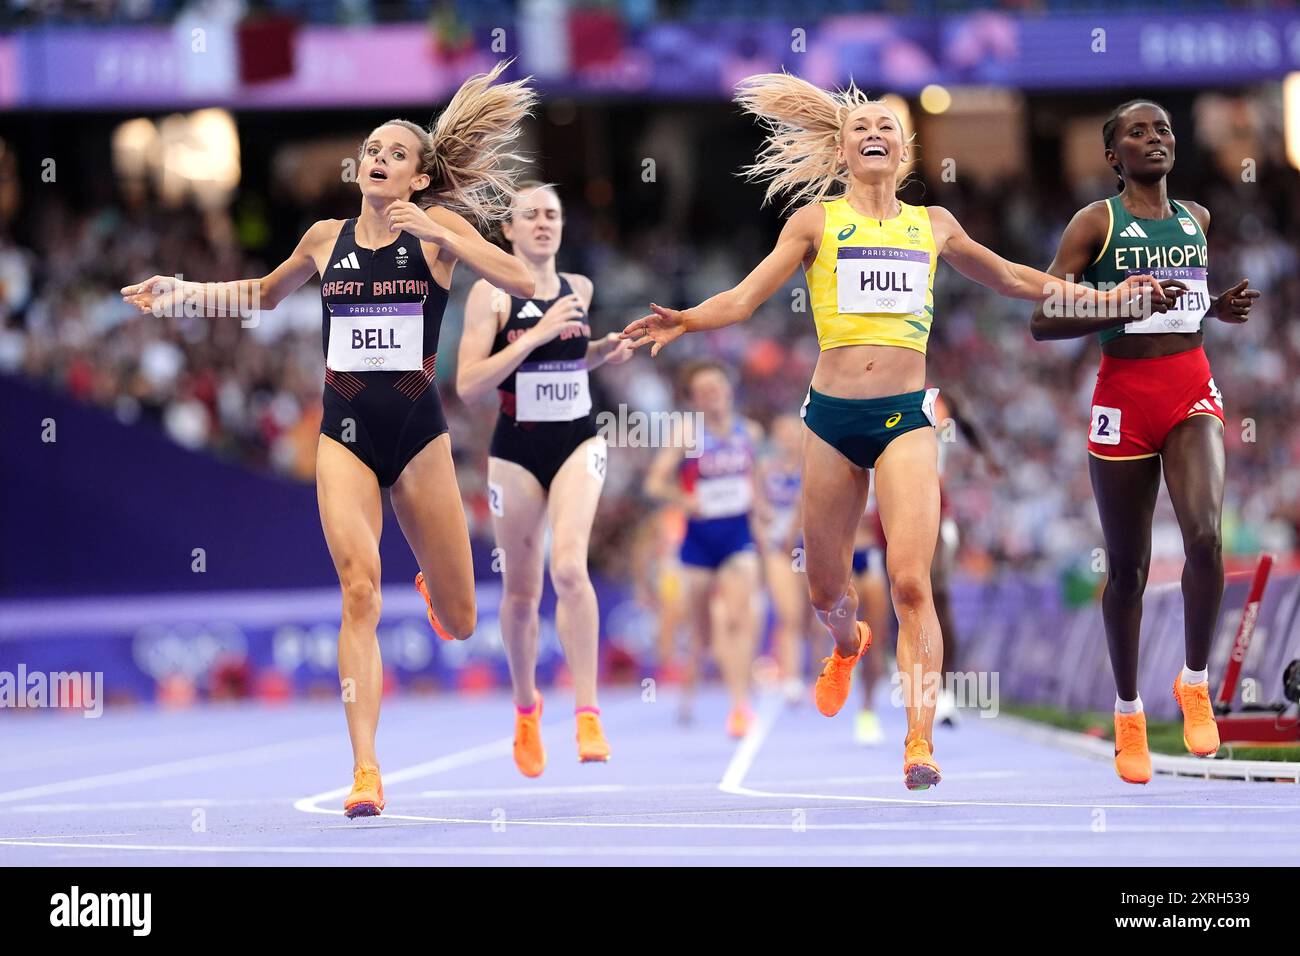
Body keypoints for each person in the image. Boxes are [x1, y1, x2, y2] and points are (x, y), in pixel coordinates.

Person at [622, 74, 1173, 789]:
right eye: (859, 128)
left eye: (886, 125)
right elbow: (747, 295)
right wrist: (689, 319)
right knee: (825, 588)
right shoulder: (816, 222)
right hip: (829, 420)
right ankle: (845, 644)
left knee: (911, 582)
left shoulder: (933, 224)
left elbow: (1011, 276)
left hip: (906, 420)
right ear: (844, 151)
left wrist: (1107, 295)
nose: (872, 132)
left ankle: (918, 741)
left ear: (905, 150)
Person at [122, 63, 538, 817]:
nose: (376, 156)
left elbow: (525, 282)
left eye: (395, 152)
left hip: (416, 432)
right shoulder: (324, 238)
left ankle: (436, 590)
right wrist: (180, 290)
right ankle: (367, 770)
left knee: (460, 617)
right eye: (371, 147)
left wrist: (441, 231)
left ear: (417, 178)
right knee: (358, 590)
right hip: (342, 428)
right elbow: (260, 294)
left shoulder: (440, 232)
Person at [1029, 99, 1259, 784]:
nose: (1153, 138)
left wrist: (1214, 308)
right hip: (1122, 399)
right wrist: (1122, 303)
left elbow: (1182, 300)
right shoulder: (1094, 223)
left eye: (1162, 129)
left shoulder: (1198, 219)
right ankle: (1128, 709)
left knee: (1207, 538)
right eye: (1137, 131)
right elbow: (1043, 317)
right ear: (1113, 155)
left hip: (1190, 387)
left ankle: (1193, 681)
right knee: (1126, 569)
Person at [456, 182, 633, 777]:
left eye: (551, 214)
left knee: (569, 568)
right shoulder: (489, 295)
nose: (542, 223)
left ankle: (587, 711)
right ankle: (527, 709)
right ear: (506, 231)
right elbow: (468, 384)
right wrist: (532, 333)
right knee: (523, 592)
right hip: (516, 449)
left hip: (579, 438)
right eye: (528, 215)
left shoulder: (579, 288)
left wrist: (604, 349)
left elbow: (571, 359)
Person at [643, 361, 764, 736]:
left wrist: (763, 511)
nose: (712, 394)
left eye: (717, 386)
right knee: (700, 633)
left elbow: (756, 480)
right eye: (703, 391)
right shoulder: (687, 433)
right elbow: (654, 484)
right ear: (695, 399)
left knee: (736, 618)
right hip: (698, 542)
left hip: (737, 537)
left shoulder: (751, 432)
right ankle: (687, 696)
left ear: (728, 389)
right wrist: (684, 500)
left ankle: (740, 706)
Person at [753, 413, 816, 704]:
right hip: (779, 548)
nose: (789, 440)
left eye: (794, 433)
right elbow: (754, 504)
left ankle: (820, 674)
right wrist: (763, 534)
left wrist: (796, 528)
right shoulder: (766, 469)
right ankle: (791, 678)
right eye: (783, 434)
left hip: (810, 545)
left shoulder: (813, 467)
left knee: (815, 615)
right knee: (788, 614)